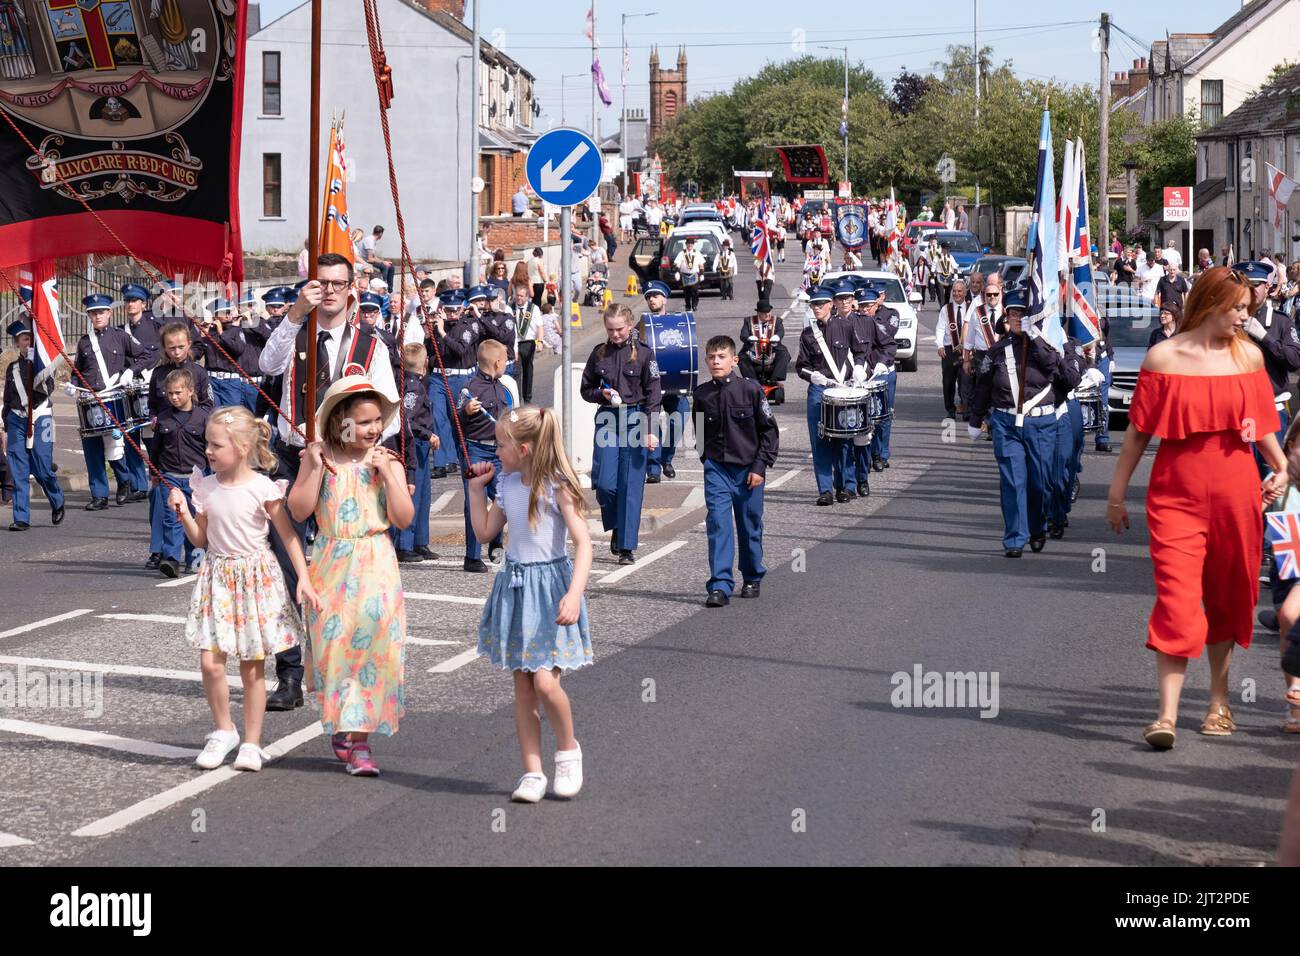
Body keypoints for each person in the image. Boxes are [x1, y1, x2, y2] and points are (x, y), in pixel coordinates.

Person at [1108, 266, 1288, 750]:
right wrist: (1117, 493)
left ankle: (1218, 703)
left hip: (1237, 490)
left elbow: (1260, 423)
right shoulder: (1162, 358)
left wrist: (1279, 467)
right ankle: (1165, 716)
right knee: (1177, 598)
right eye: (1238, 310)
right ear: (1210, 305)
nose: (1244, 319)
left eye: (1249, 310)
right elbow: (1138, 433)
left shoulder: (1248, 356)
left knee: (1229, 596)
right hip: (1175, 495)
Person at [258, 252, 400, 712]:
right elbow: (267, 364)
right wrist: (296, 312)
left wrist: (363, 451)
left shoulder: (369, 344)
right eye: (322, 283)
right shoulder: (296, 331)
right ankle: (290, 673)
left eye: (339, 283)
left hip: (345, 466)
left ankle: (340, 661)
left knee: (338, 571)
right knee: (284, 571)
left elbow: (389, 413)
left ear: (352, 287)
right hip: (291, 458)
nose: (331, 290)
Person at [172, 405, 316, 773]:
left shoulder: (262, 487)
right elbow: (202, 539)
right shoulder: (204, 486)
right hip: (218, 577)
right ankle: (224, 730)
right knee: (210, 662)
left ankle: (252, 742)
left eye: (215, 445)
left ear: (240, 447)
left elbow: (287, 535)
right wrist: (185, 514)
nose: (208, 451)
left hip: (255, 577)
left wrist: (304, 579)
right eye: (208, 444)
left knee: (252, 668)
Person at [285, 378, 411, 775]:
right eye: (364, 422)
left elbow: (404, 519)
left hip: (376, 562)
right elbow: (300, 511)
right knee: (336, 648)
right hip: (332, 561)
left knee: (375, 649)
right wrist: (309, 467)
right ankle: (344, 722)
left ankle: (360, 742)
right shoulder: (323, 460)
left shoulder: (387, 460)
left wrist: (389, 474)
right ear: (341, 422)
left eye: (378, 420)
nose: (374, 429)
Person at [468, 405, 592, 802]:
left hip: (550, 588)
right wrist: (475, 492)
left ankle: (568, 749)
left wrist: (574, 593)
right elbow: (486, 530)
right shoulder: (506, 484)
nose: (495, 451)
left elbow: (584, 544)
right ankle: (532, 772)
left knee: (544, 681)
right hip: (516, 586)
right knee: (523, 687)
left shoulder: (557, 486)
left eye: (501, 445)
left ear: (523, 449)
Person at [967, 288, 1063, 557]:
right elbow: (983, 386)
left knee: (1039, 482)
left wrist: (1035, 337)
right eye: (1013, 313)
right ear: (1006, 316)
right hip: (1006, 424)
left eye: (1023, 313)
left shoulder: (1045, 347)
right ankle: (1014, 538)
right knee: (1013, 481)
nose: (1018, 318)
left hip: (1040, 425)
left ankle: (1037, 525)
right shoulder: (997, 351)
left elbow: (1055, 368)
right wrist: (976, 419)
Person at [694, 335, 779, 608]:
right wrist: (707, 460)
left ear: (734, 360)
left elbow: (769, 432)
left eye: (721, 357)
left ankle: (752, 575)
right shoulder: (702, 394)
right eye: (711, 357)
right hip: (717, 469)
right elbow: (699, 433)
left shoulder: (751, 391)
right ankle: (720, 584)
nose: (716, 362)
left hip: (748, 470)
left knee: (749, 525)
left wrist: (759, 466)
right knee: (718, 524)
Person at [580, 304, 661, 564]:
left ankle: (626, 546)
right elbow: (585, 389)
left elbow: (654, 396)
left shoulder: (646, 355)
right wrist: (599, 394)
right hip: (608, 419)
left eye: (620, 330)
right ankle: (616, 523)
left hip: (637, 418)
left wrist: (650, 430)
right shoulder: (599, 354)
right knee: (604, 484)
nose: (615, 335)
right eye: (610, 330)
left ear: (630, 326)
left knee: (631, 485)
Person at [69, 292, 151, 509]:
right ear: (89, 316)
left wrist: (130, 371)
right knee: (92, 447)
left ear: (109, 313)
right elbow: (78, 369)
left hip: (113, 397)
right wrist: (72, 382)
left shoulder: (120, 336)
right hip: (90, 398)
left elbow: (146, 356)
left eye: (101, 312)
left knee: (115, 446)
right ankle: (99, 495)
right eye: (93, 313)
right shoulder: (85, 342)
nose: (98, 316)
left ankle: (123, 479)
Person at [795, 284, 869, 505]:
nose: (815, 308)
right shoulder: (809, 333)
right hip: (819, 390)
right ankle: (825, 490)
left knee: (844, 439)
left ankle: (847, 486)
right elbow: (801, 366)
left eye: (819, 304)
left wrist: (859, 367)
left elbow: (860, 351)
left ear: (830, 305)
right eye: (812, 304)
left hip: (842, 388)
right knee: (820, 441)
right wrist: (812, 376)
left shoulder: (845, 325)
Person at [1238, 259, 1300, 474]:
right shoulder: (1225, 321)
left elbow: (1294, 361)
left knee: (1271, 476)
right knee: (1241, 478)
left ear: (1268, 287)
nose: (1251, 290)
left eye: (1256, 285)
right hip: (1237, 412)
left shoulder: (1281, 322)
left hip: (1272, 411)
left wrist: (1264, 337)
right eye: (1244, 284)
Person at [2, 321, 64, 530]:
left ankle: (57, 500)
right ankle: (21, 517)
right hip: (16, 420)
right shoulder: (12, 368)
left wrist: (33, 366)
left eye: (32, 339)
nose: (29, 343)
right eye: (25, 339)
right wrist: (6, 420)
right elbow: (9, 397)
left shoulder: (43, 365)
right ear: (18, 343)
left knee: (43, 467)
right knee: (18, 469)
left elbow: (46, 389)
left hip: (41, 418)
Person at [148, 369, 210, 577]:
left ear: (191, 391)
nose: (173, 397)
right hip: (170, 476)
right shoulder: (164, 419)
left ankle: (194, 558)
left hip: (196, 478)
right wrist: (154, 472)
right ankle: (171, 559)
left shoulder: (203, 418)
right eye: (170, 393)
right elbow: (155, 448)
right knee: (172, 518)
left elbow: (210, 449)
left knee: (194, 519)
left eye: (178, 393)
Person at [456, 339, 511, 572]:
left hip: (498, 450)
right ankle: (472, 556)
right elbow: (456, 418)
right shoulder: (470, 388)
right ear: (497, 362)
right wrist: (465, 411)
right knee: (474, 502)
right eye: (506, 360)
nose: (507, 364)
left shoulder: (501, 385)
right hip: (476, 449)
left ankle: (496, 543)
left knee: (502, 497)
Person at [393, 342, 439, 563]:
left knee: (424, 496)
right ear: (425, 363)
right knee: (413, 493)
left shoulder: (418, 383)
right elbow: (407, 421)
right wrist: (427, 435)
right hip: (415, 443)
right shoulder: (412, 386)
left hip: (422, 446)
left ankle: (420, 541)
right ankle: (405, 543)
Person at [642, 281, 688, 483]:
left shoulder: (678, 324)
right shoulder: (641, 326)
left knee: (680, 415)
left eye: (655, 295)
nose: (651, 299)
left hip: (674, 381)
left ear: (664, 299)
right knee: (651, 422)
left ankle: (666, 458)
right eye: (648, 296)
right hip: (650, 384)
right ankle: (653, 469)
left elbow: (687, 351)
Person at [864, 284, 900, 472]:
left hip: (884, 370)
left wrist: (868, 319)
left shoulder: (891, 314)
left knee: (884, 414)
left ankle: (882, 453)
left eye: (877, 296)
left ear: (883, 297)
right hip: (865, 371)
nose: (874, 300)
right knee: (866, 415)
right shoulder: (861, 315)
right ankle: (867, 454)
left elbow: (888, 334)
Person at [935, 278, 969, 418]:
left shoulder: (970, 307)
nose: (956, 294)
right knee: (948, 381)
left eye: (959, 291)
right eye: (954, 291)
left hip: (966, 350)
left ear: (965, 292)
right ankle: (950, 409)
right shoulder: (946, 309)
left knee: (965, 381)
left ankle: (966, 408)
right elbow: (940, 328)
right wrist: (940, 345)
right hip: (950, 350)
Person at [737, 299, 790, 386]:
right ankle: (753, 381)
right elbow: (743, 335)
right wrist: (749, 338)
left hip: (773, 348)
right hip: (752, 348)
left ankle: (774, 379)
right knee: (741, 358)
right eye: (764, 313)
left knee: (784, 354)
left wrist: (777, 337)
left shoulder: (777, 321)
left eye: (769, 312)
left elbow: (781, 331)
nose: (767, 314)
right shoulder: (748, 321)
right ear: (758, 313)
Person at [508, 284, 542, 403]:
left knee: (528, 371)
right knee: (516, 372)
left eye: (522, 296)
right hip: (514, 344)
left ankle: (527, 399)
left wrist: (540, 341)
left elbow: (539, 327)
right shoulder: (510, 308)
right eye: (517, 295)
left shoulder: (534, 308)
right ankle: (517, 399)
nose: (519, 298)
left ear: (527, 297)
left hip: (528, 343)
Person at [673, 236, 705, 312]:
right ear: (686, 244)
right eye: (688, 244)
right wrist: (677, 272)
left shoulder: (697, 253)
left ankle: (694, 305)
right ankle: (688, 306)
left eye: (691, 244)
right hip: (685, 275)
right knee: (687, 292)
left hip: (694, 274)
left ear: (693, 245)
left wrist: (702, 274)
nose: (690, 245)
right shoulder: (681, 253)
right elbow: (677, 263)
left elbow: (701, 264)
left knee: (695, 291)